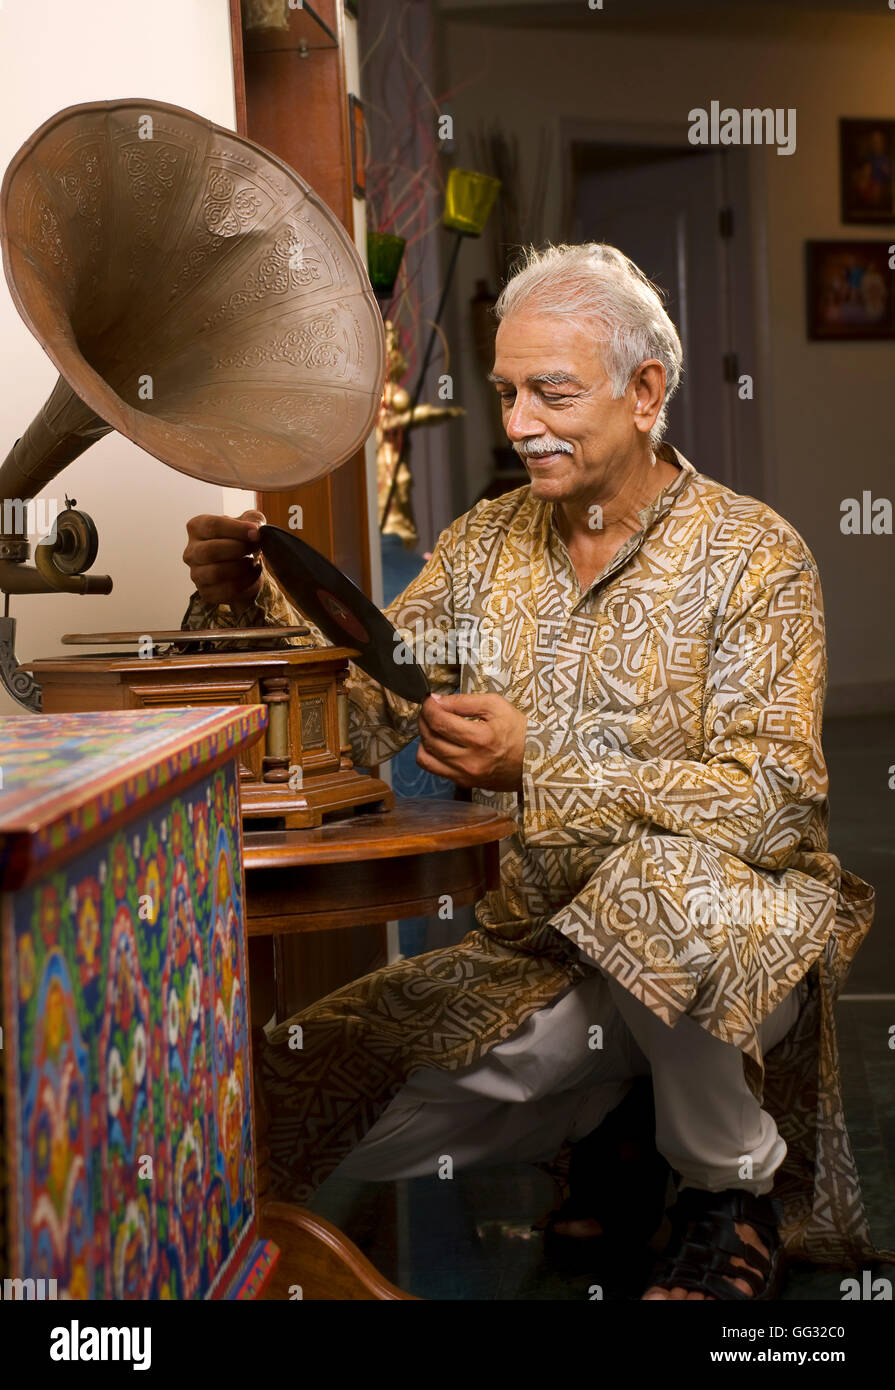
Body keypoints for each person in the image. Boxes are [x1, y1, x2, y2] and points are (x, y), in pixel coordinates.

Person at [181, 242, 885, 1300]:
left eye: (549, 391)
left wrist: (540, 762)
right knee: (266, 1111)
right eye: (506, 389)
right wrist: (238, 603)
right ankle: (617, 1119)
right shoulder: (478, 548)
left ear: (646, 391)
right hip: (533, 956)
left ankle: (724, 1197)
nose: (515, 422)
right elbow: (366, 709)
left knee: (664, 892)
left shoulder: (757, 555)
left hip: (724, 952)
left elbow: (775, 798)